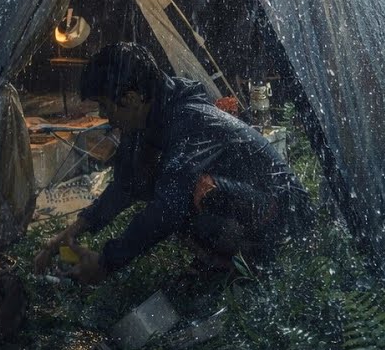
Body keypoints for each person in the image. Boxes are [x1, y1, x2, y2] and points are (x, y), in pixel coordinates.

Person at [33, 42, 313, 285]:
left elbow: (168, 207)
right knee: (160, 178)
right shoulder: (145, 118)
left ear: (131, 98)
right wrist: (72, 232)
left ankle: (253, 263)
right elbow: (126, 185)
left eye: (106, 107)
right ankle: (223, 259)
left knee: (186, 189)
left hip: (285, 212)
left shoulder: (191, 119)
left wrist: (106, 262)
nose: (106, 117)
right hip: (247, 202)